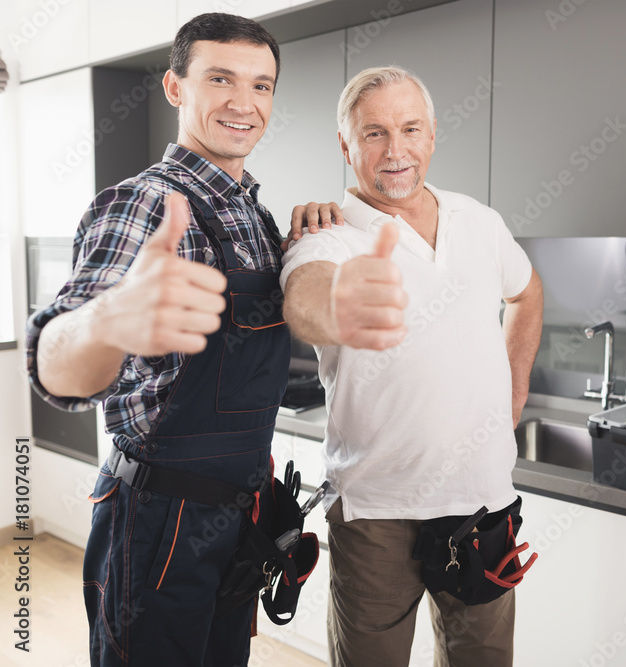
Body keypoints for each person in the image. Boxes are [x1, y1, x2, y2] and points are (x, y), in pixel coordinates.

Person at [24, 13, 342, 666]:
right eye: (220, 78)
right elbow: (57, 366)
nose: (243, 102)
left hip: (236, 517)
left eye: (261, 85)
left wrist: (307, 241)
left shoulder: (250, 210)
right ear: (175, 87)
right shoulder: (144, 204)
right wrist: (107, 320)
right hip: (160, 520)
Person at [280, 66, 544, 666]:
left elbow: (527, 293)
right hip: (376, 511)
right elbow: (305, 304)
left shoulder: (478, 219)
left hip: (483, 503)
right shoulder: (327, 233)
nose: (394, 150)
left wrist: (516, 383)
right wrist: (342, 302)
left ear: (431, 136)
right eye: (373, 133)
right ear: (346, 146)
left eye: (409, 129)